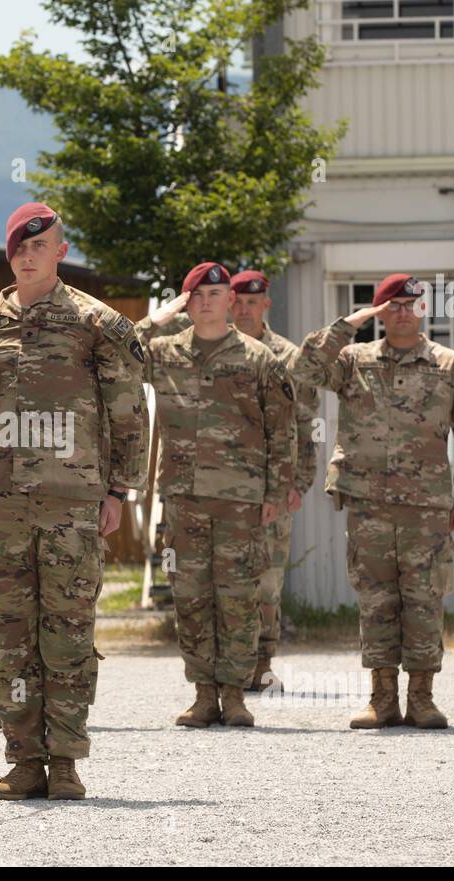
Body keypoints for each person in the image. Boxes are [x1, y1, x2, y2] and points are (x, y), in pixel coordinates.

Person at [0, 201, 148, 799]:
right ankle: (24, 760)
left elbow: (128, 415)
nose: (28, 254)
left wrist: (118, 491)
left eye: (40, 245)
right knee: (9, 636)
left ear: (60, 251)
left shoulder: (97, 323)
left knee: (68, 632)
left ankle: (66, 763)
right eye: (18, 246)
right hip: (3, 504)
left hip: (72, 503)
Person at [291, 273, 454, 729]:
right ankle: (382, 698)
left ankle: (422, 697)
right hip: (369, 503)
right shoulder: (353, 360)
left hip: (426, 505)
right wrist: (352, 321)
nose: (402, 312)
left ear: (424, 309)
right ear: (380, 312)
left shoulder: (449, 364)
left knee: (424, 598)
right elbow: (304, 367)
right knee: (376, 599)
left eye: (410, 303)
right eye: (392, 305)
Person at [135, 263, 294, 727]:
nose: (207, 301)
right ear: (187, 302)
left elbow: (281, 429)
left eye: (216, 293)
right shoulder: (163, 353)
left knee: (238, 595)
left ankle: (235, 692)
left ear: (230, 299)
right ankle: (204, 693)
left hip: (240, 498)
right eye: (197, 294)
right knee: (191, 595)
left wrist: (276, 490)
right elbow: (117, 353)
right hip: (183, 497)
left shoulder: (259, 357)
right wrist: (157, 318)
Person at [229, 270, 320, 691]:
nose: (244, 309)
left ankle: (262, 664)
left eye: (253, 301)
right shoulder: (216, 350)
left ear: (266, 303)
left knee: (267, 580)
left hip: (273, 485)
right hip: (223, 486)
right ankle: (227, 667)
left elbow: (306, 425)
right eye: (238, 301)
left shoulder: (288, 357)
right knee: (226, 579)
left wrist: (299, 482)